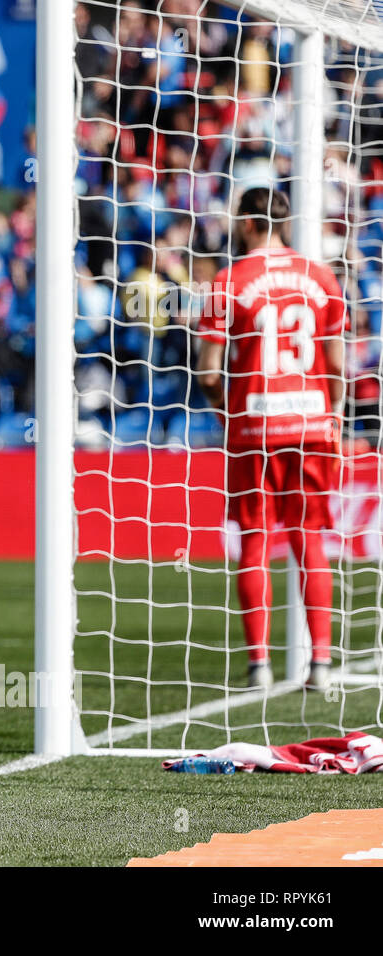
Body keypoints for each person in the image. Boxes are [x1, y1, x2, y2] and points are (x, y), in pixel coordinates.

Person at [198, 187, 346, 691]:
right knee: (310, 540)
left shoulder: (229, 281)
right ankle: (321, 665)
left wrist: (226, 413)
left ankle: (259, 665)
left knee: (256, 541)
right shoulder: (322, 278)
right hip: (311, 424)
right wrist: (336, 412)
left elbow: (209, 372)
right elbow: (337, 364)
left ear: (246, 224)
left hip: (255, 426)